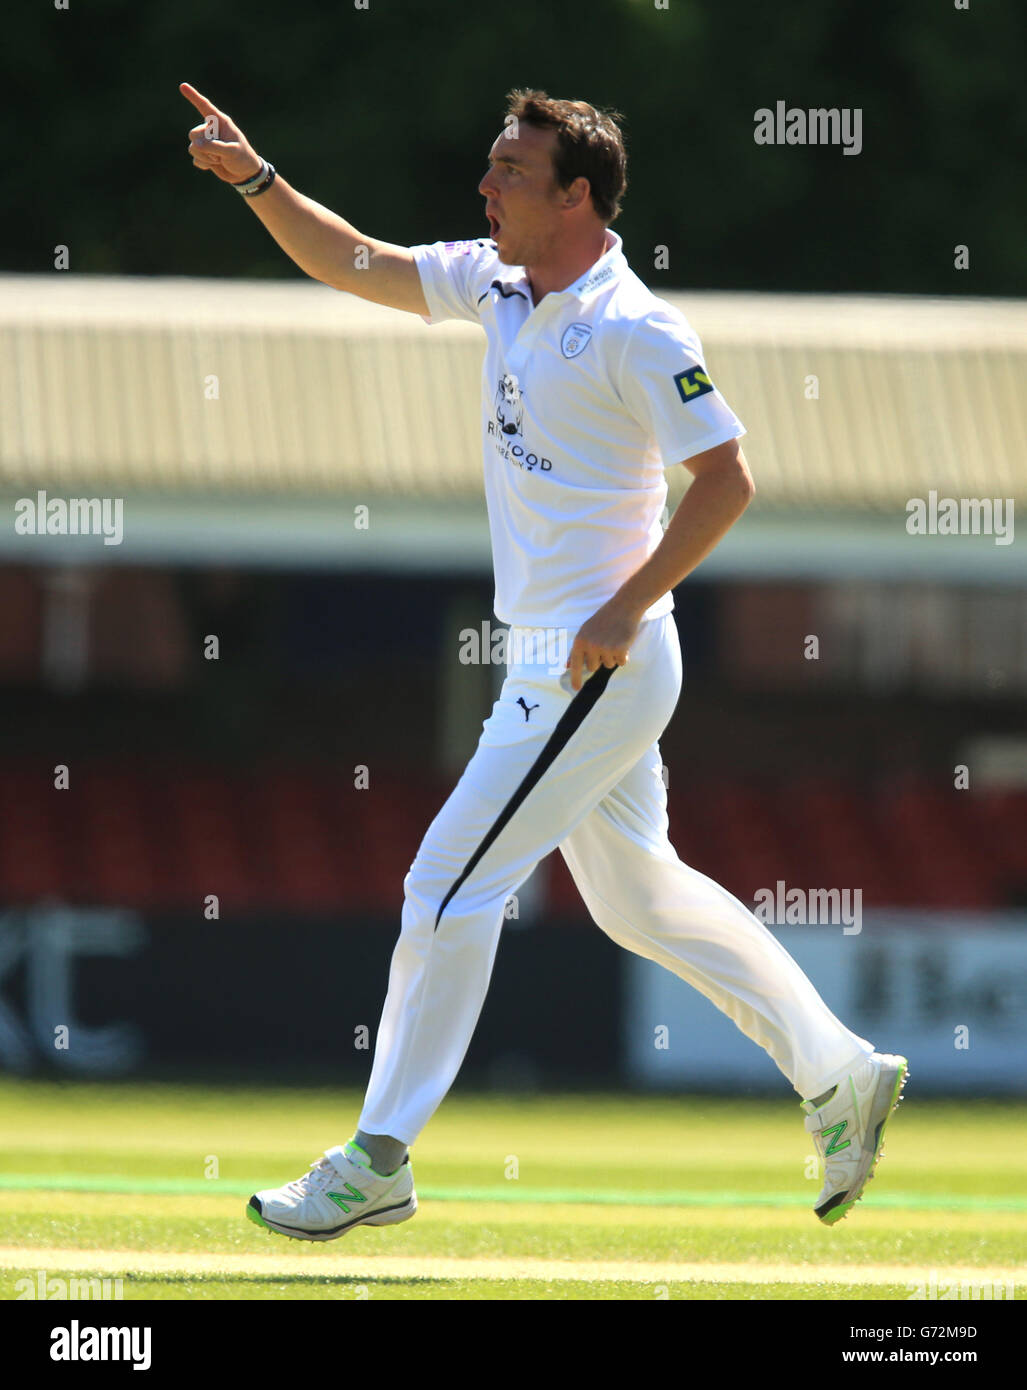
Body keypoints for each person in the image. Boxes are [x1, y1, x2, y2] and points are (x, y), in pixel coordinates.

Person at [181, 83, 907, 1242]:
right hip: (562, 663)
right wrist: (256, 178)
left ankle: (377, 1155)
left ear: (577, 196)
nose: (484, 188)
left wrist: (624, 606)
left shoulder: (637, 324)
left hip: (593, 666)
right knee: (641, 902)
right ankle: (839, 1070)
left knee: (444, 885)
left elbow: (727, 480)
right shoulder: (493, 279)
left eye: (508, 173)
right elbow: (359, 262)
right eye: (489, 169)